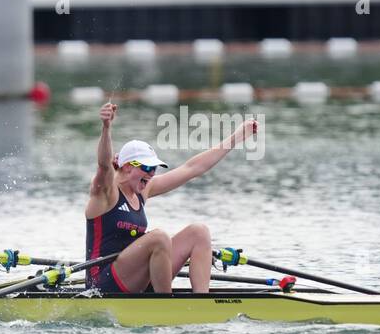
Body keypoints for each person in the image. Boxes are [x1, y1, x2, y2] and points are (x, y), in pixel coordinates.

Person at [85, 102, 257, 294]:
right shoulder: (106, 193)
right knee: (159, 237)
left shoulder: (143, 190)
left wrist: (236, 137)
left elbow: (192, 169)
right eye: (147, 168)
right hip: (103, 283)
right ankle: (166, 303)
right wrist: (106, 127)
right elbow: (104, 166)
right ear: (127, 167)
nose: (151, 174)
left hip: (137, 278)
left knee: (198, 232)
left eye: (154, 169)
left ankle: (202, 300)